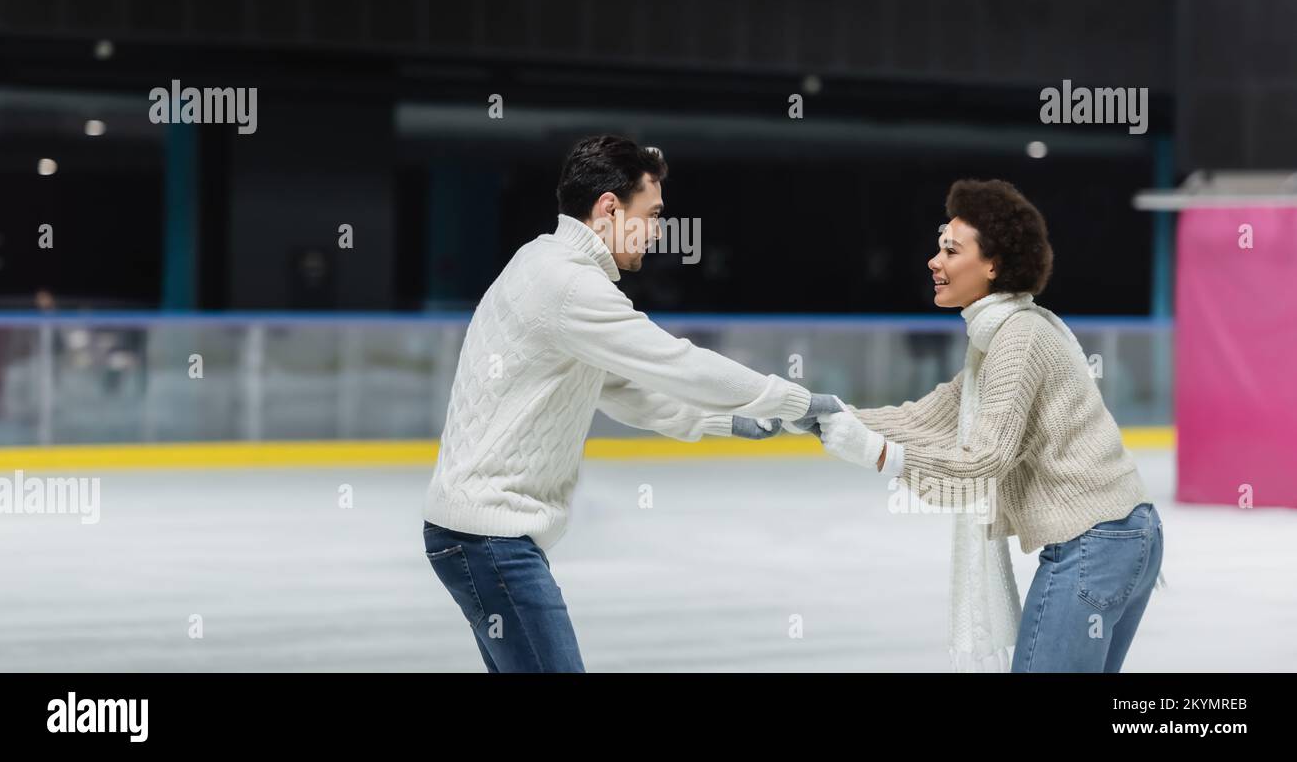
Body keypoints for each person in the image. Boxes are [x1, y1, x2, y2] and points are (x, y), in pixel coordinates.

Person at [422, 134, 841, 672]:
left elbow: (623, 391)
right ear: (608, 208)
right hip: (490, 538)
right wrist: (788, 398)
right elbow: (675, 362)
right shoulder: (568, 284)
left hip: (478, 535)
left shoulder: (542, 262)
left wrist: (725, 421)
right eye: (653, 213)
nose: (660, 231)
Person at [813, 178, 1164, 672]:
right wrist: (820, 413)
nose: (935, 262)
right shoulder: (1003, 334)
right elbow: (928, 416)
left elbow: (981, 463)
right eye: (939, 248)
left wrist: (877, 454)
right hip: (1123, 534)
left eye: (951, 251)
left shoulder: (1016, 340)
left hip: (1098, 542)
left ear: (994, 264)